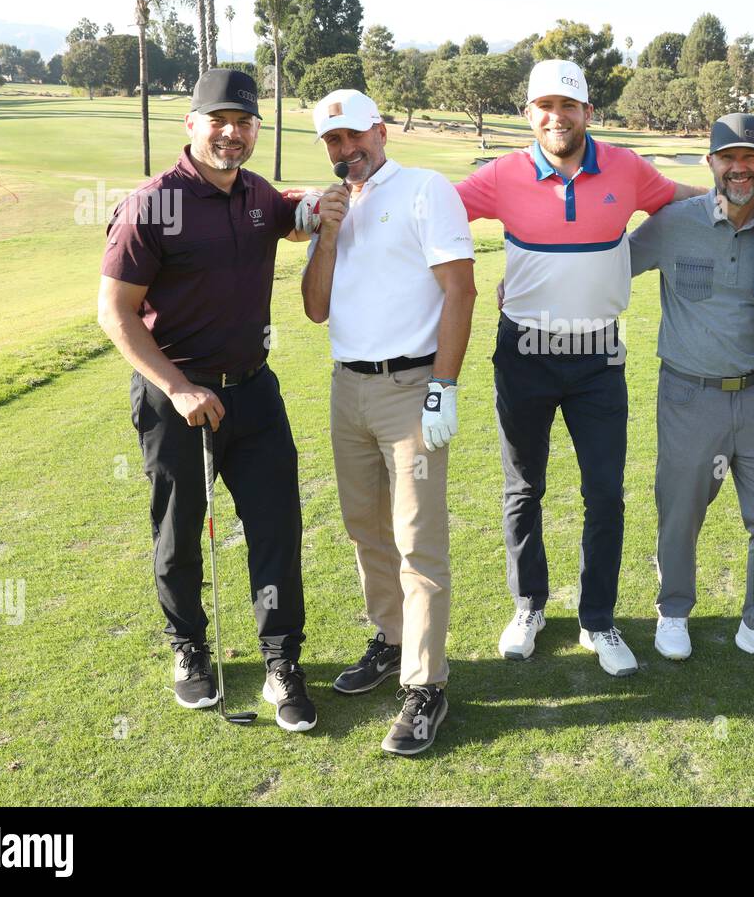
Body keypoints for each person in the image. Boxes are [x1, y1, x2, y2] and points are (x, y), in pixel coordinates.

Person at [456, 59, 704, 677]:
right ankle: (529, 607)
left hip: (599, 355)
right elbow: (431, 213)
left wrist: (747, 196)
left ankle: (598, 618)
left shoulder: (626, 168)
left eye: (568, 106)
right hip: (524, 353)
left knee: (605, 493)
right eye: (544, 106)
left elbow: (682, 202)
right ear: (529, 114)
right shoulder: (501, 177)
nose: (556, 117)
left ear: (588, 113)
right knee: (523, 488)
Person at [98, 68, 318, 732]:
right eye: (217, 119)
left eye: (243, 121)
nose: (231, 132)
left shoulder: (256, 195)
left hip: (253, 392)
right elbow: (115, 312)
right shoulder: (151, 204)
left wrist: (316, 206)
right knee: (178, 535)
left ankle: (281, 660)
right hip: (178, 399)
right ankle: (189, 649)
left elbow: (293, 219)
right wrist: (178, 387)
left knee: (277, 530)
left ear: (255, 128)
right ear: (191, 125)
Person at [299, 88, 475, 755]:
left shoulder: (426, 189)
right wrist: (328, 230)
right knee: (364, 527)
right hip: (349, 388)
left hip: (410, 387)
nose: (348, 152)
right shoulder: (333, 206)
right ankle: (391, 639)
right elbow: (316, 309)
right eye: (335, 143)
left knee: (417, 539)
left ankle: (426, 686)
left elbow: (461, 289)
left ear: (380, 130)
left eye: (355, 137)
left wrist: (443, 386)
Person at [628, 114, 754, 677]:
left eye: (750, 157)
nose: (739, 168)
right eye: (728, 157)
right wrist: (532, 285)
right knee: (680, 510)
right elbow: (607, 266)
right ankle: (673, 610)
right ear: (711, 163)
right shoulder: (673, 223)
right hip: (687, 394)